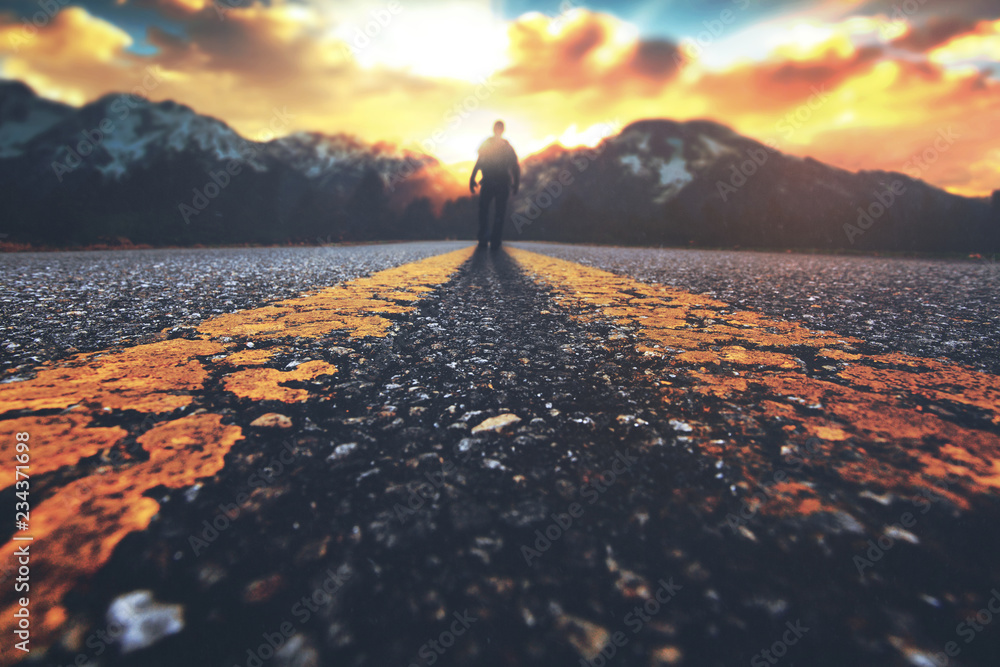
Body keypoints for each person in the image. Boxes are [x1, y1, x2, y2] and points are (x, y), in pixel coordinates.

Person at [469, 120, 520, 250]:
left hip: (490, 182)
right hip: (501, 183)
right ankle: (494, 239)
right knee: (498, 212)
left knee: (485, 210)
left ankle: (484, 238)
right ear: (502, 130)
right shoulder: (507, 146)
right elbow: (515, 166)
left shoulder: (490, 144)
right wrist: (516, 183)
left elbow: (479, 161)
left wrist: (473, 177)